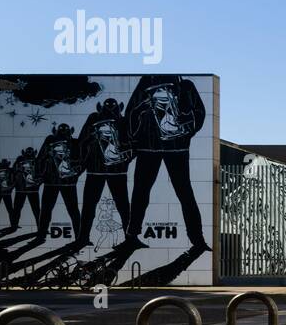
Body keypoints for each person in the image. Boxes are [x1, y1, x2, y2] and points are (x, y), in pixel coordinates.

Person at [124, 75, 208, 253]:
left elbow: (199, 113)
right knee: (140, 191)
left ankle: (197, 238)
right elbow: (130, 114)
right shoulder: (145, 83)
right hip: (148, 148)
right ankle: (132, 235)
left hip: (176, 148)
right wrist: (143, 110)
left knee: (185, 192)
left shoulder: (185, 86)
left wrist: (182, 127)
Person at [77, 98, 133, 248]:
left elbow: (132, 143)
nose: (110, 111)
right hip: (96, 171)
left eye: (112, 109)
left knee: (123, 206)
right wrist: (91, 141)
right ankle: (83, 237)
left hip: (116, 171)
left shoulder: (122, 122)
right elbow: (82, 141)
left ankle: (130, 238)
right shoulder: (94, 118)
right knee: (90, 206)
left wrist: (125, 157)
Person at [35, 122, 82, 242]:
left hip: (66, 181)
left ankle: (79, 236)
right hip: (53, 182)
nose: (63, 133)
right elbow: (41, 158)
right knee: (47, 210)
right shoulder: (50, 141)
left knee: (72, 210)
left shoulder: (74, 143)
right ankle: (41, 235)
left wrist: (76, 172)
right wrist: (40, 174)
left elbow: (81, 160)